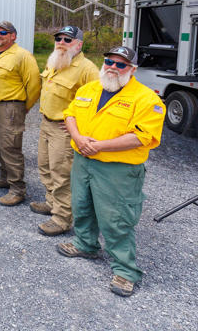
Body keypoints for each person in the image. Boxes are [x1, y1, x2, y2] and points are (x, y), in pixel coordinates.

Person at [58, 46, 164, 298]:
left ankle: (126, 271)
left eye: (121, 65)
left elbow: (141, 136)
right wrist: (78, 138)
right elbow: (70, 114)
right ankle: (85, 244)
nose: (113, 68)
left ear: (133, 69)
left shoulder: (147, 99)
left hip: (118, 169)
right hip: (83, 160)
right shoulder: (90, 89)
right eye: (109, 62)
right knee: (82, 205)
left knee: (116, 218)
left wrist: (98, 146)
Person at [33, 26, 99, 236]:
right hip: (46, 123)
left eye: (67, 40)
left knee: (61, 174)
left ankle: (62, 218)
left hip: (64, 129)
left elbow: (98, 103)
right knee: (44, 166)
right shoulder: (56, 61)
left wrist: (78, 126)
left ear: (79, 44)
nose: (61, 42)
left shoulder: (87, 69)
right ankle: (51, 202)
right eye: (58, 38)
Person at [0, 21, 41, 207]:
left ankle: (17, 189)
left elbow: (34, 86)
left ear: (13, 36)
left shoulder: (23, 56)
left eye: (3, 32)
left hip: (10, 107)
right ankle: (5, 177)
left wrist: (22, 108)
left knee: (10, 147)